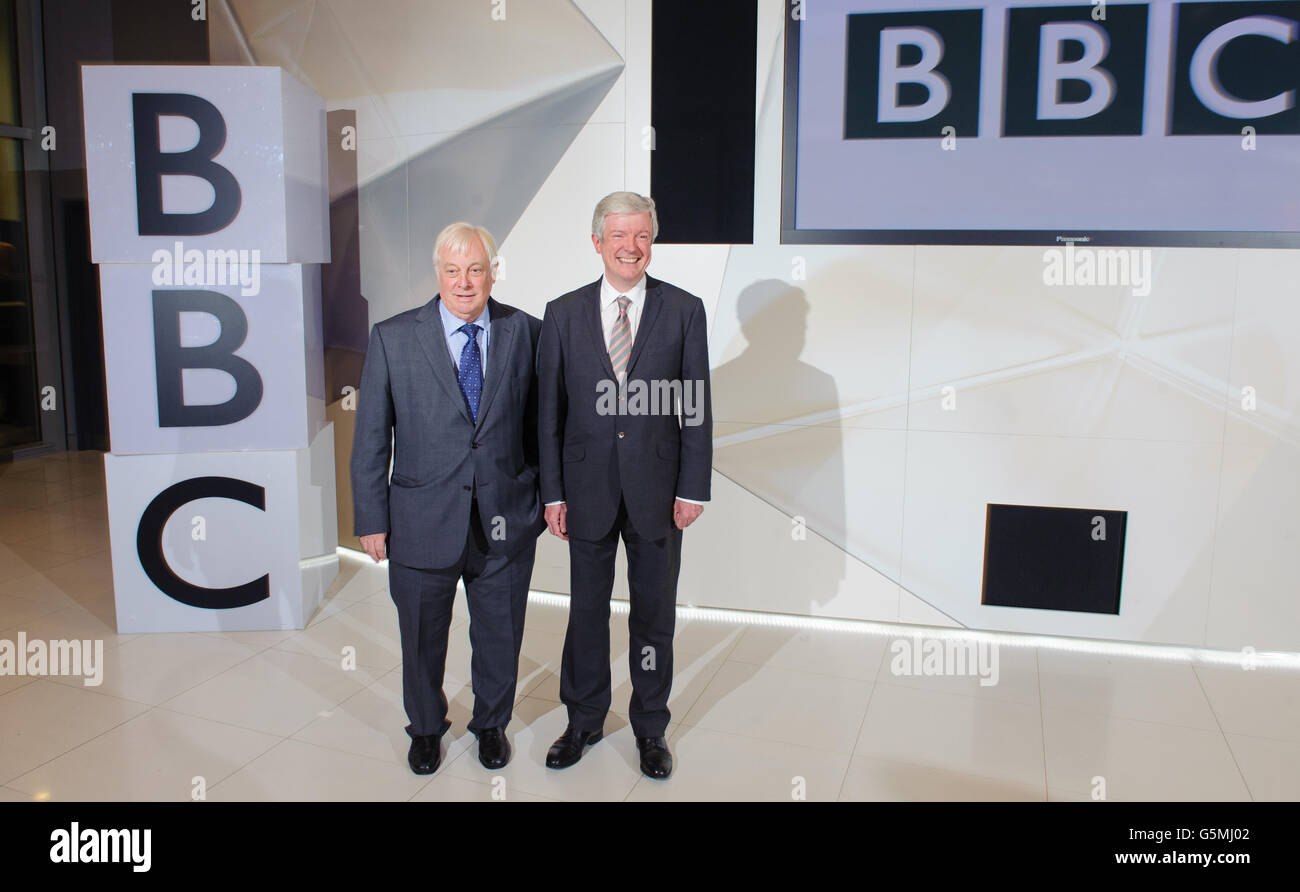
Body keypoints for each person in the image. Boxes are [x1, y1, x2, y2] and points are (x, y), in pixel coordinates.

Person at [351, 222, 544, 775]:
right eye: (453, 271)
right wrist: (371, 518)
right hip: (419, 520)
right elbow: (371, 438)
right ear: (437, 274)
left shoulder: (525, 331)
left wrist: (541, 501)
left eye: (476, 269)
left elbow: (541, 428)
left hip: (505, 519)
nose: (464, 282)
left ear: (492, 272)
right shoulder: (393, 337)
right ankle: (427, 729)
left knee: (500, 635)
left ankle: (490, 725)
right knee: (420, 639)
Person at [536, 191, 713, 779]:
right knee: (586, 612)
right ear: (597, 243)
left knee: (652, 616)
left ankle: (650, 728)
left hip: (659, 494)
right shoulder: (561, 314)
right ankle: (583, 720)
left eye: (641, 236)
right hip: (584, 492)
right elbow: (549, 414)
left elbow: (695, 408)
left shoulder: (684, 311)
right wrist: (553, 493)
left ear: (651, 242)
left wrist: (693, 487)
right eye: (619, 236)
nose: (630, 247)